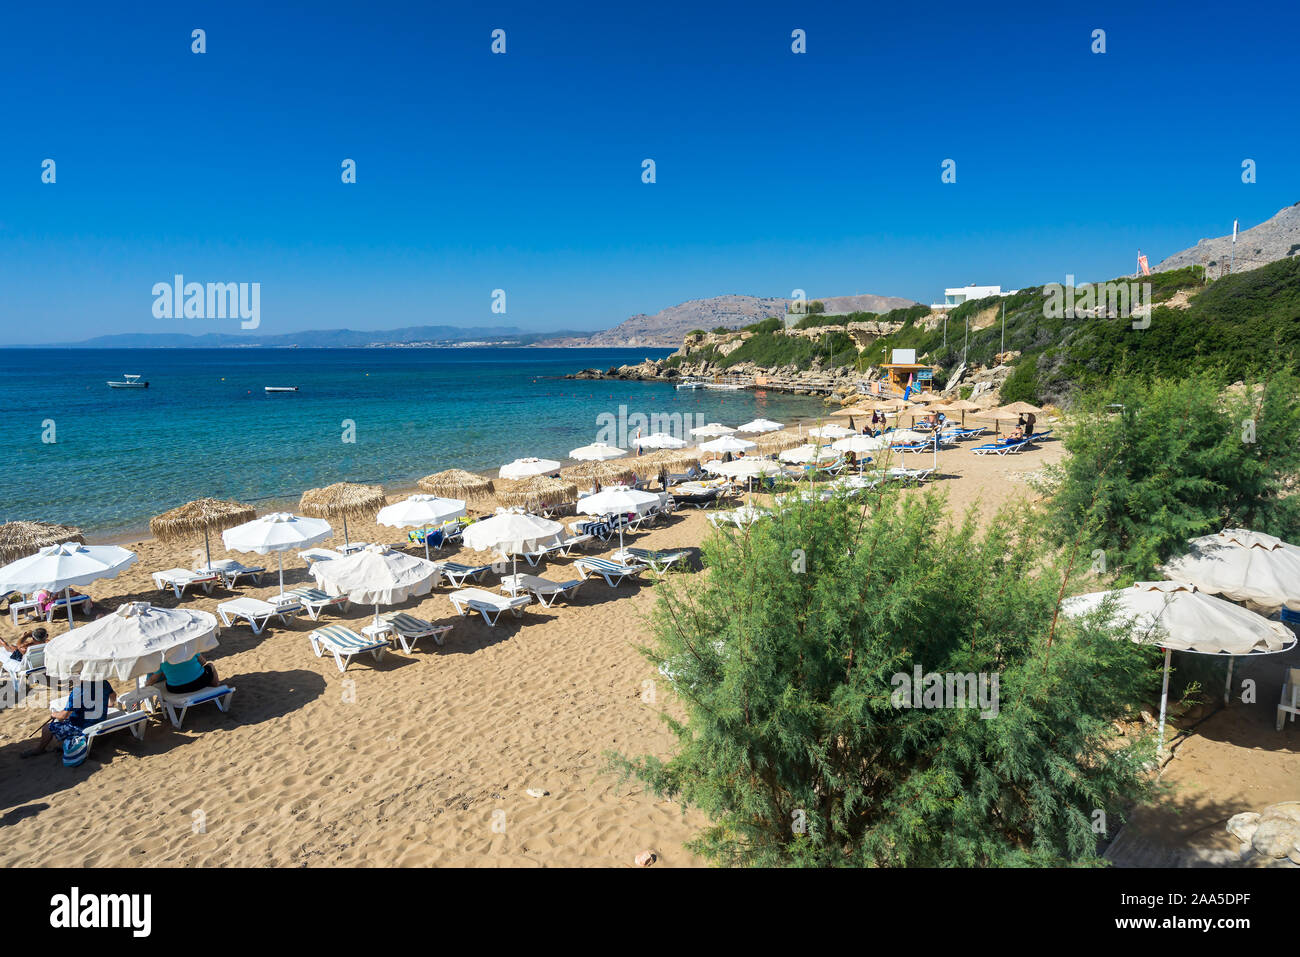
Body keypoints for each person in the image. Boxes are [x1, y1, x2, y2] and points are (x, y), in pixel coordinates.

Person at [22, 678, 116, 758]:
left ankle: (39, 749)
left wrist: (54, 715)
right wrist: (106, 704)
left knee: (47, 728)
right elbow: (112, 698)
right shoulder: (104, 682)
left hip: (83, 727)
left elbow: (64, 715)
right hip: (100, 721)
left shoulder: (78, 691)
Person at [147, 653, 220, 695]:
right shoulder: (190, 648)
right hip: (200, 682)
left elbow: (154, 678)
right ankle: (215, 684)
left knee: (169, 677)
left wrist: (146, 685)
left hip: (176, 689)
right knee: (210, 665)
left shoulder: (161, 658)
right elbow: (203, 662)